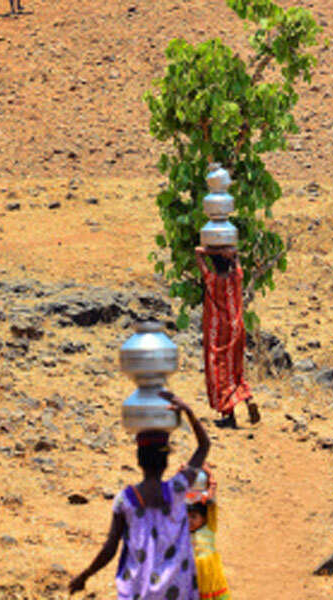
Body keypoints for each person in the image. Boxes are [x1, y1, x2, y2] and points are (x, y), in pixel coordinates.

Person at [69, 393, 210, 599]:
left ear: (138, 460)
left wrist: (84, 575)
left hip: (138, 591)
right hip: (176, 589)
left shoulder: (125, 500)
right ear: (165, 462)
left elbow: (110, 548)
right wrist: (188, 411)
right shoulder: (178, 489)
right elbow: (204, 446)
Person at [195, 246, 260, 429]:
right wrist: (230, 254)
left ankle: (229, 416)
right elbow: (237, 259)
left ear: (214, 264)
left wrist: (211, 251)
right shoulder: (237, 278)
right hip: (236, 329)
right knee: (236, 368)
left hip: (218, 332)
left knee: (219, 371)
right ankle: (247, 397)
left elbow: (197, 253)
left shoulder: (211, 280)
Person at [186, 466, 230, 600]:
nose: (189, 521)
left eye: (194, 517)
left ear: (204, 518)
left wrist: (211, 480)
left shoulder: (209, 526)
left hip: (209, 575)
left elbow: (210, 501)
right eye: (187, 516)